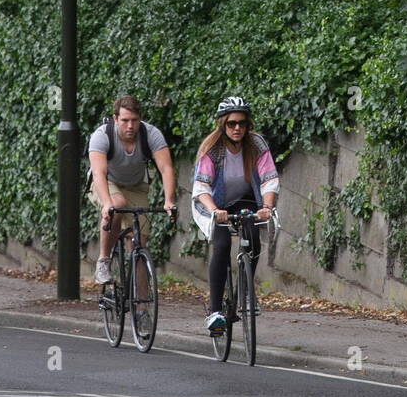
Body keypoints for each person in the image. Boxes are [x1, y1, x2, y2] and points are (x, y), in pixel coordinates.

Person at [191, 96, 279, 334]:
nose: (237, 128)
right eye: (231, 123)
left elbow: (269, 179)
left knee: (252, 236)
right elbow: (201, 189)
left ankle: (245, 295)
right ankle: (215, 311)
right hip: (215, 203)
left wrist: (267, 208)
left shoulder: (257, 145)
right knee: (220, 245)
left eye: (242, 123)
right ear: (222, 124)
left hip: (244, 200)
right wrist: (215, 211)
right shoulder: (211, 149)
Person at [88, 94, 178, 286]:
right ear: (115, 119)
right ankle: (104, 260)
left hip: (136, 187)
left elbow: (166, 168)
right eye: (125, 120)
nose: (130, 126)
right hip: (106, 182)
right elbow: (99, 173)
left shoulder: (151, 134)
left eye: (135, 120)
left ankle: (142, 309)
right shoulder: (102, 136)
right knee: (116, 206)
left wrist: (169, 200)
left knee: (138, 245)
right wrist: (107, 204)